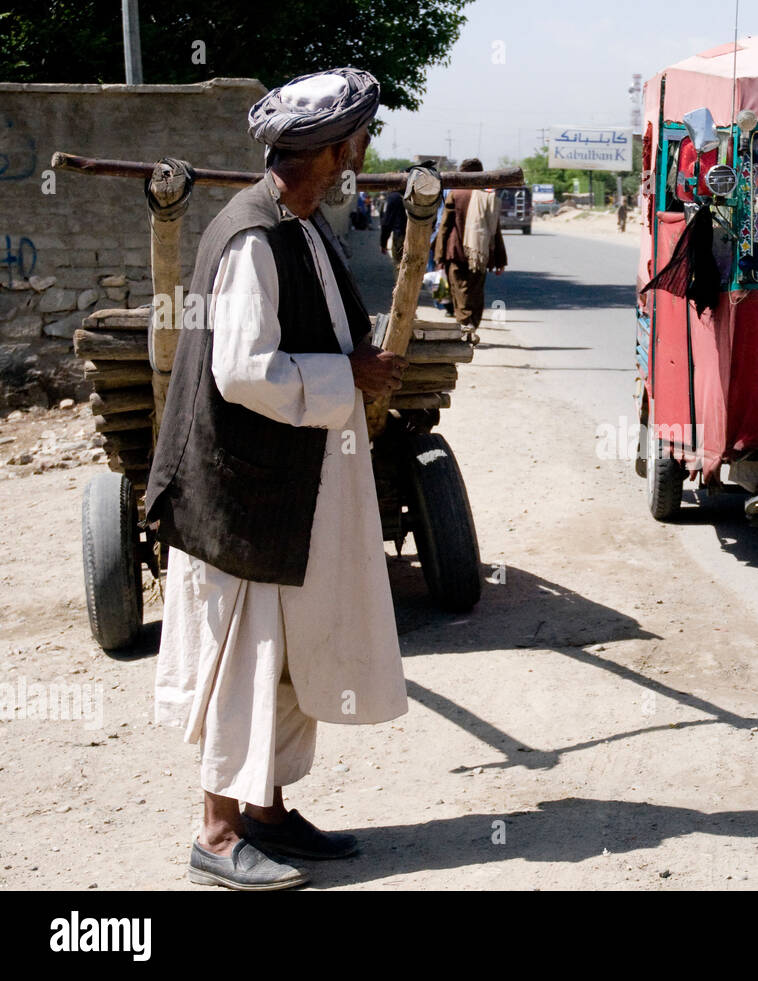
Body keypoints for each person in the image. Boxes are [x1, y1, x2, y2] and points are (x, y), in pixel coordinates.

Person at [145, 68, 409, 891]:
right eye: (357, 137)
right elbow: (244, 370)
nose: (363, 149)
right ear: (330, 149)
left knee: (288, 657)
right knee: (244, 661)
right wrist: (349, 377)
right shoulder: (253, 237)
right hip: (247, 496)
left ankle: (266, 812)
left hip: (292, 488)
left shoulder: (299, 224)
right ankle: (218, 833)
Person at [434, 158, 507, 330]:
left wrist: (439, 257)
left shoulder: (455, 194)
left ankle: (465, 324)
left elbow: (444, 227)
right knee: (475, 291)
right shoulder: (488, 197)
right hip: (480, 254)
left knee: (459, 292)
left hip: (456, 252)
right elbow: (495, 230)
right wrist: (500, 260)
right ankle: (472, 323)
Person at [379, 184, 407, 269]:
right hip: (419, 235)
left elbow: (387, 222)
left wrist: (383, 243)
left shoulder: (394, 197)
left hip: (400, 235)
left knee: (400, 266)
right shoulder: (417, 195)